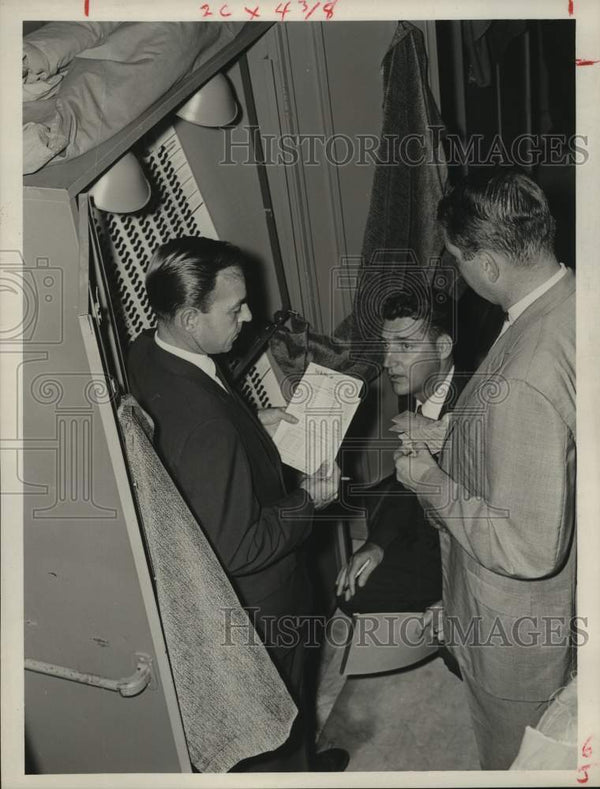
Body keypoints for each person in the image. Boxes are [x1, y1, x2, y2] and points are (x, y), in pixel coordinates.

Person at [127, 236, 348, 772]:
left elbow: (205, 440)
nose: (249, 317)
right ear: (187, 316)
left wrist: (253, 426)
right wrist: (309, 501)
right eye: (234, 309)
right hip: (262, 603)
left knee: (286, 715)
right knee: (276, 715)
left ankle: (303, 760)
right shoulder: (205, 429)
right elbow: (241, 546)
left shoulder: (148, 350)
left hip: (222, 578)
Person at [394, 172, 576, 769]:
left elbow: (526, 548)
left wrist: (428, 480)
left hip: (518, 632)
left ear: (491, 265)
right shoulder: (569, 302)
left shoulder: (528, 371)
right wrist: (453, 433)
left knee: (514, 761)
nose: (458, 274)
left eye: (458, 260)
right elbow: (555, 444)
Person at [335, 289, 467, 636]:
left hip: (461, 549)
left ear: (443, 347)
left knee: (354, 596)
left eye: (405, 346)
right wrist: (377, 544)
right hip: (426, 523)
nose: (388, 361)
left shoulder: (471, 413)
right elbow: (404, 480)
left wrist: (457, 599)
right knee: (353, 578)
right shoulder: (416, 392)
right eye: (387, 345)